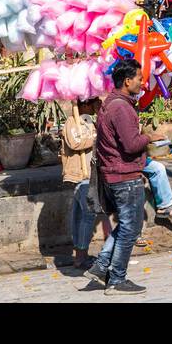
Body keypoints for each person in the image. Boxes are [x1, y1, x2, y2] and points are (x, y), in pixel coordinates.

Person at [86, 59, 151, 294]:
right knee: (130, 229)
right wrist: (149, 137)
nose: (142, 83)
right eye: (139, 79)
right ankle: (116, 278)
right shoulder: (121, 107)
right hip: (124, 175)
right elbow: (132, 144)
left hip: (116, 174)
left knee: (125, 225)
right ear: (127, 81)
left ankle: (101, 265)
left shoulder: (111, 103)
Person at [62, 98, 106, 269]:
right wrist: (95, 140)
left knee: (81, 215)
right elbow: (75, 142)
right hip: (80, 175)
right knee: (88, 214)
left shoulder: (91, 122)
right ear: (85, 104)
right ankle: (81, 255)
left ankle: (80, 254)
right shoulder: (72, 121)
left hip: (91, 174)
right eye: (94, 103)